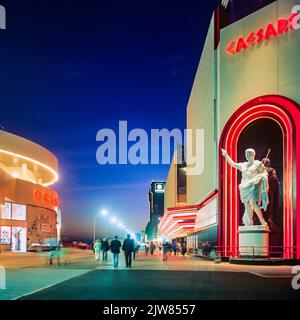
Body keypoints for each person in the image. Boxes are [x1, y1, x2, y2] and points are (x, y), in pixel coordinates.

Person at [221, 148, 269, 226]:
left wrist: (262, 175)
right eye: (246, 154)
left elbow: (264, 173)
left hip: (253, 186)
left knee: (253, 203)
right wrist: (226, 155)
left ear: (253, 155)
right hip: (244, 187)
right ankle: (250, 222)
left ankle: (262, 220)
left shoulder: (257, 164)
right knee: (247, 204)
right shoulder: (243, 165)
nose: (247, 155)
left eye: (249, 154)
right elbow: (233, 164)